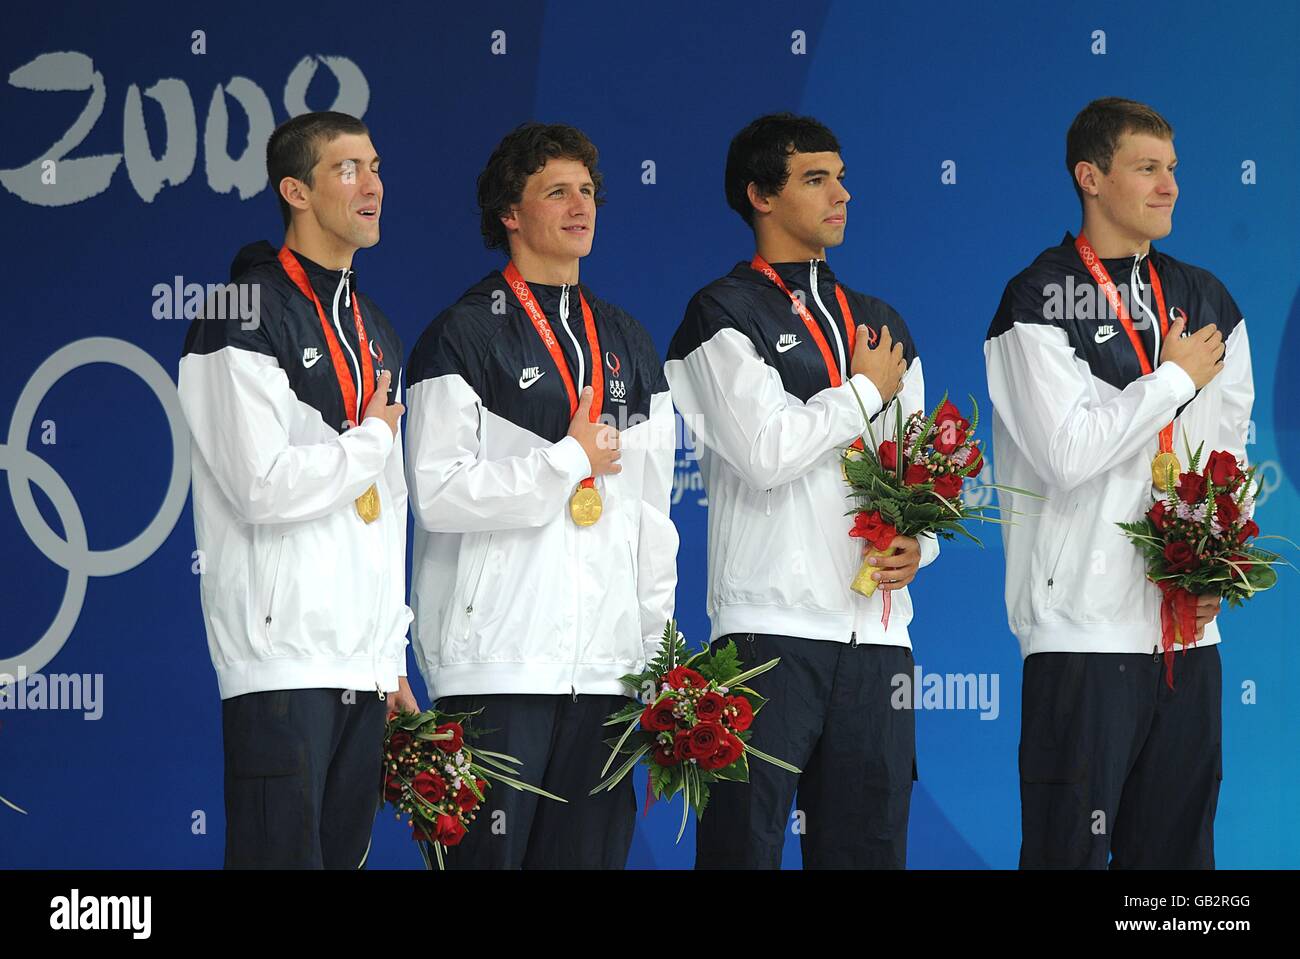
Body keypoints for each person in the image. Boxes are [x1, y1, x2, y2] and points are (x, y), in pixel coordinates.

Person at [984, 97, 1253, 868]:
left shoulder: (1209, 301)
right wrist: (1171, 379)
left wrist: (1212, 571)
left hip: (1186, 634)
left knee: (1179, 877)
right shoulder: (1037, 299)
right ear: (1090, 177)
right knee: (1069, 854)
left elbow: (1224, 462)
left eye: (1172, 169)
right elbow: (1068, 451)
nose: (1169, 185)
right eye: (1147, 167)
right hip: (1083, 633)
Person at [404, 122, 678, 868]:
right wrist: (566, 462)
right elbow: (439, 494)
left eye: (587, 190)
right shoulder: (461, 336)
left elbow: (653, 518)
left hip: (607, 676)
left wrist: (653, 662)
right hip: (495, 667)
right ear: (510, 214)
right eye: (556, 190)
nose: (580, 204)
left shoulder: (629, 340)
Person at [665, 112, 935, 869]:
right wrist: (859, 391)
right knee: (742, 851)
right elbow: (764, 452)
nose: (841, 193)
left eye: (841, 176)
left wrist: (925, 541)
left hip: (880, 637)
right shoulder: (720, 314)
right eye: (816, 179)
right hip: (766, 631)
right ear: (760, 195)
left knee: (869, 853)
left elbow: (920, 469)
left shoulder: (883, 324)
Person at [178, 110, 417, 869]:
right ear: (296, 191)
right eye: (348, 169)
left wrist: (388, 655)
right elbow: (261, 485)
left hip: (359, 665)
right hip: (281, 659)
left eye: (376, 166)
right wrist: (373, 438)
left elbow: (392, 509)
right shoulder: (236, 311)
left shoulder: (374, 324)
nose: (372, 184)